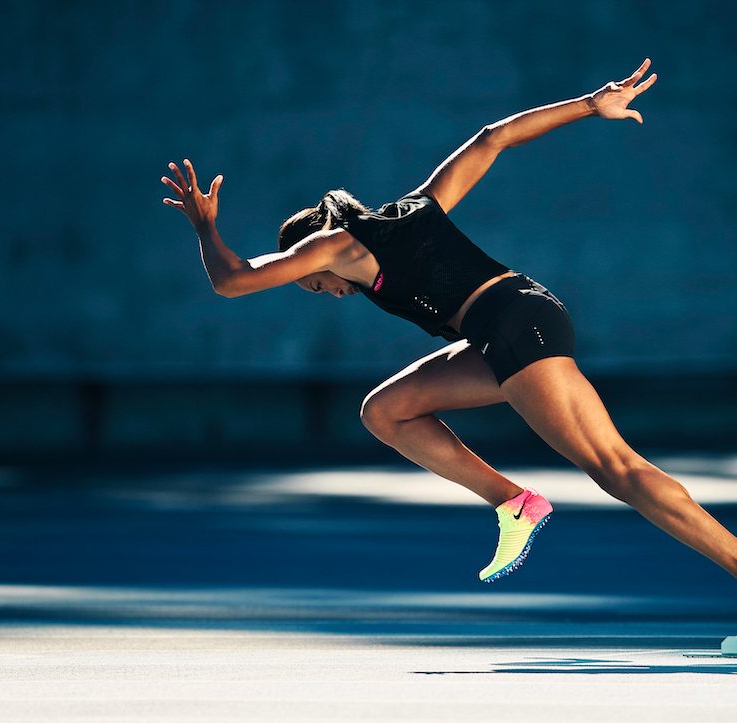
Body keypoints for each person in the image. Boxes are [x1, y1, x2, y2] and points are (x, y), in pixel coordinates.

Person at [161, 58, 737, 583]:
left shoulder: (335, 245)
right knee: (386, 410)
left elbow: (231, 281)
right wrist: (591, 103)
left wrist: (204, 227)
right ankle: (514, 502)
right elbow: (492, 140)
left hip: (511, 324)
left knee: (616, 469)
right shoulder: (416, 207)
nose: (330, 293)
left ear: (311, 254)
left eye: (313, 285)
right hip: (513, 319)